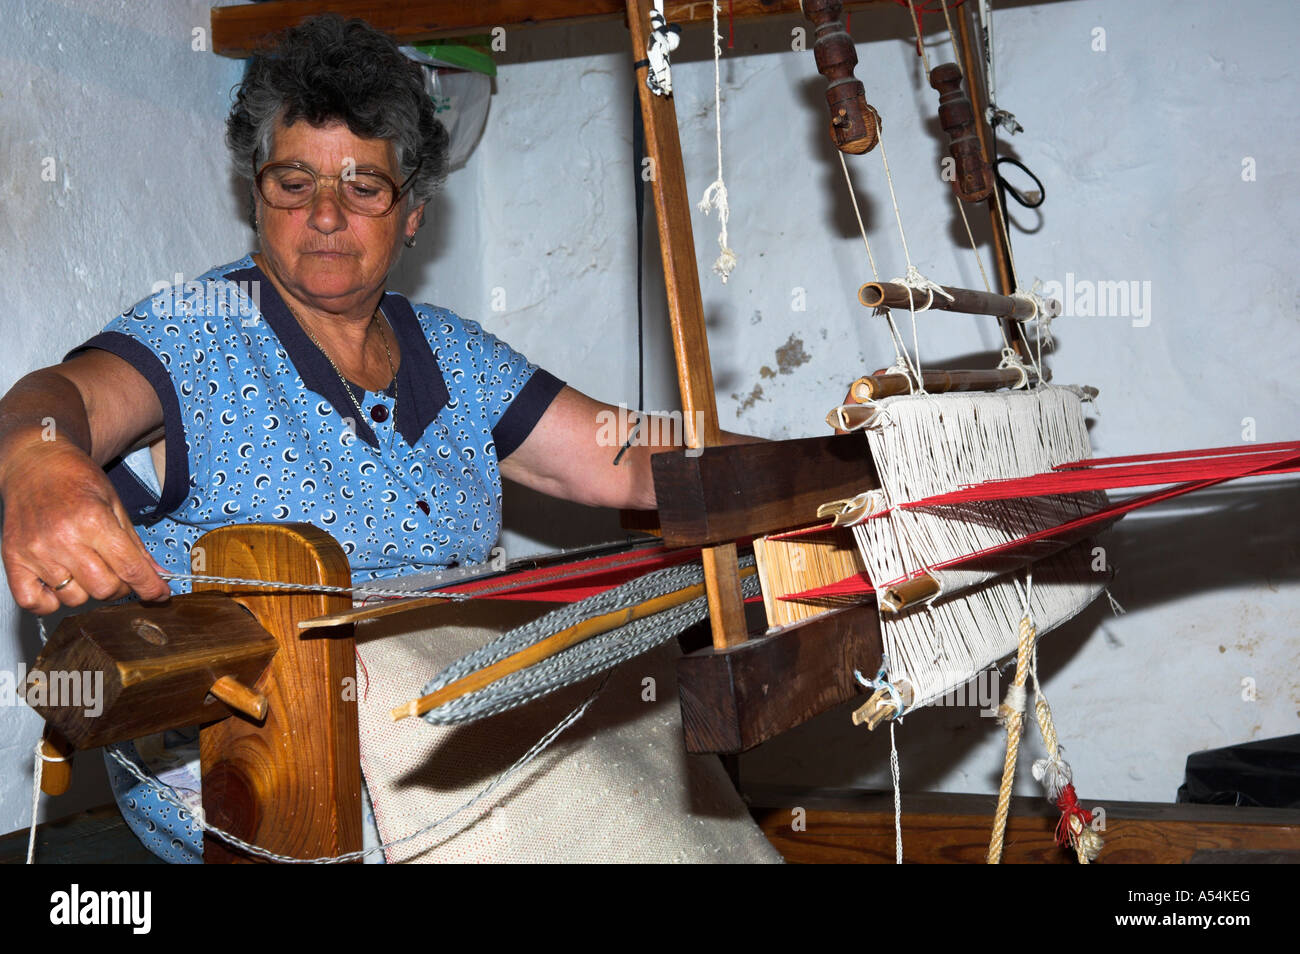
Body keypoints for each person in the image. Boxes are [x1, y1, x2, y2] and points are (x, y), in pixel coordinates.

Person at [0, 15, 755, 862]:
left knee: (658, 783)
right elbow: (61, 399)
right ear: (256, 194)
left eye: (363, 187)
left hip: (443, 712)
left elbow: (622, 459)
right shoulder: (198, 329)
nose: (325, 215)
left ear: (413, 214)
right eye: (294, 182)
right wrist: (37, 457)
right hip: (248, 757)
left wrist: (807, 466)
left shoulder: (452, 355)